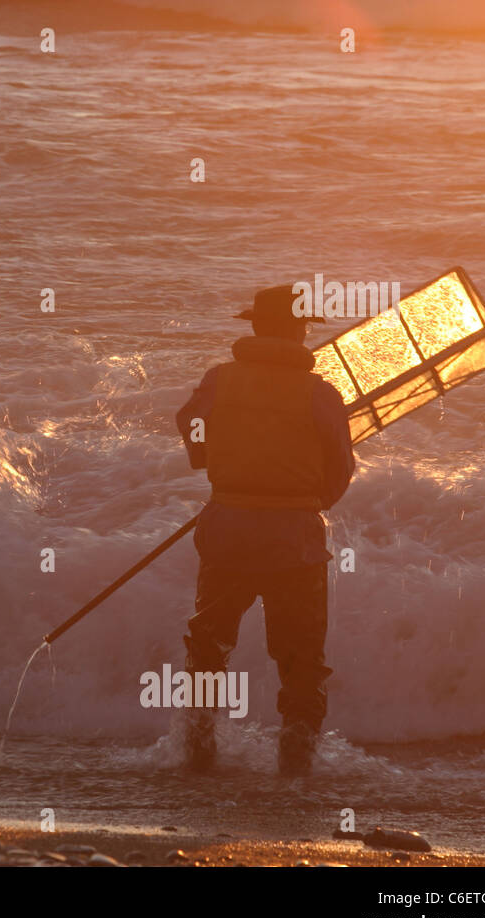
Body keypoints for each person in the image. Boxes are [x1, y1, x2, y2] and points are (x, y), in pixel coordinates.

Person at [174, 284, 355, 774]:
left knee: (208, 644)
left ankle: (198, 749)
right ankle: (295, 761)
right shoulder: (320, 393)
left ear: (255, 326)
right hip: (294, 541)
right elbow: (340, 467)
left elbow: (190, 423)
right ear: (299, 331)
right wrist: (307, 503)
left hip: (226, 529)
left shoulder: (220, 381)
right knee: (300, 656)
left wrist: (219, 466)